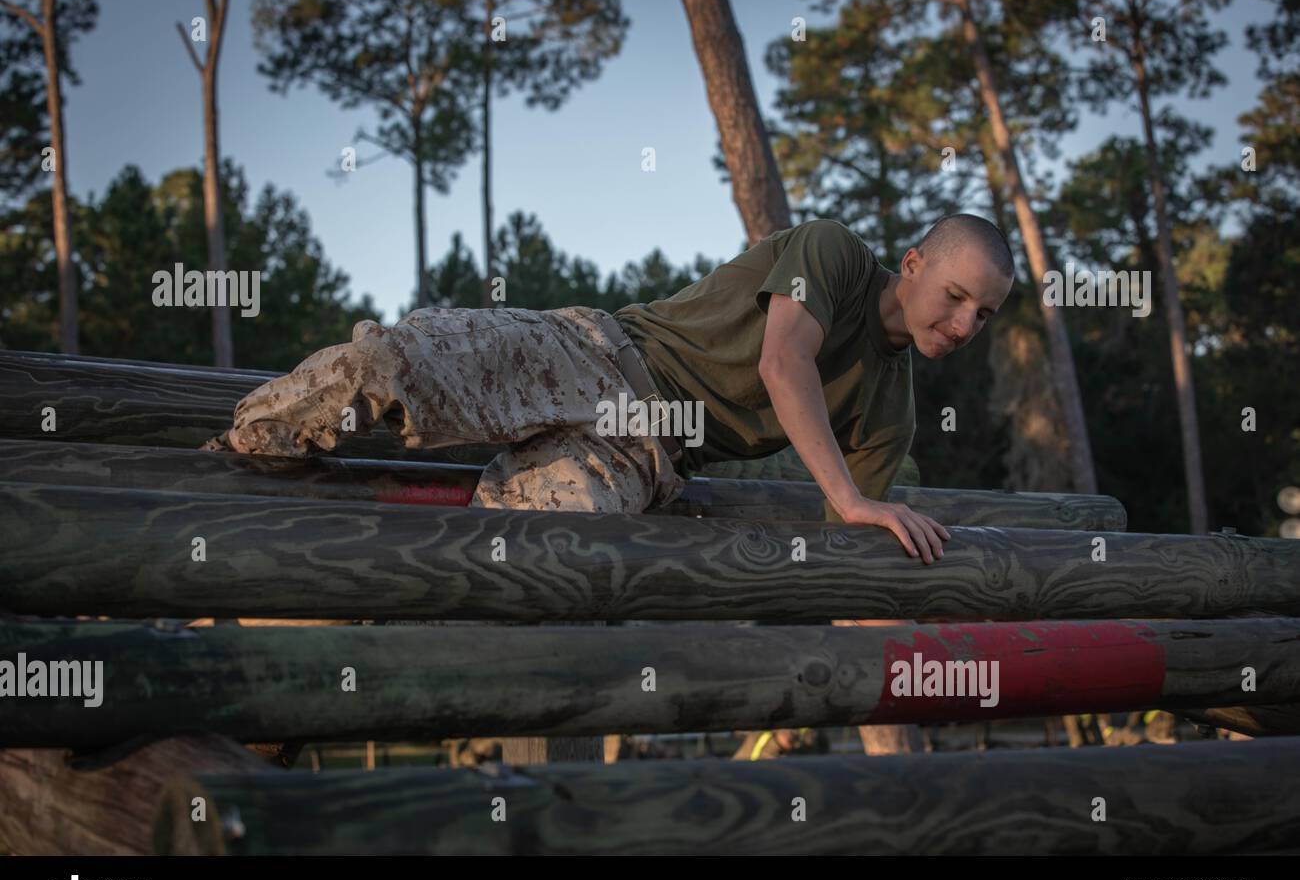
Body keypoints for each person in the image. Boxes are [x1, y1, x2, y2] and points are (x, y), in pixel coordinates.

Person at [204, 213, 1015, 563]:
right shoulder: (835, 253)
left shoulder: (892, 410)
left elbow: (850, 536)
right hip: (598, 354)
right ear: (914, 264)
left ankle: (304, 656)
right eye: (956, 296)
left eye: (985, 316)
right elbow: (782, 364)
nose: (966, 323)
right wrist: (850, 497)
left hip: (646, 452)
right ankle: (228, 463)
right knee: (389, 368)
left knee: (529, 558)